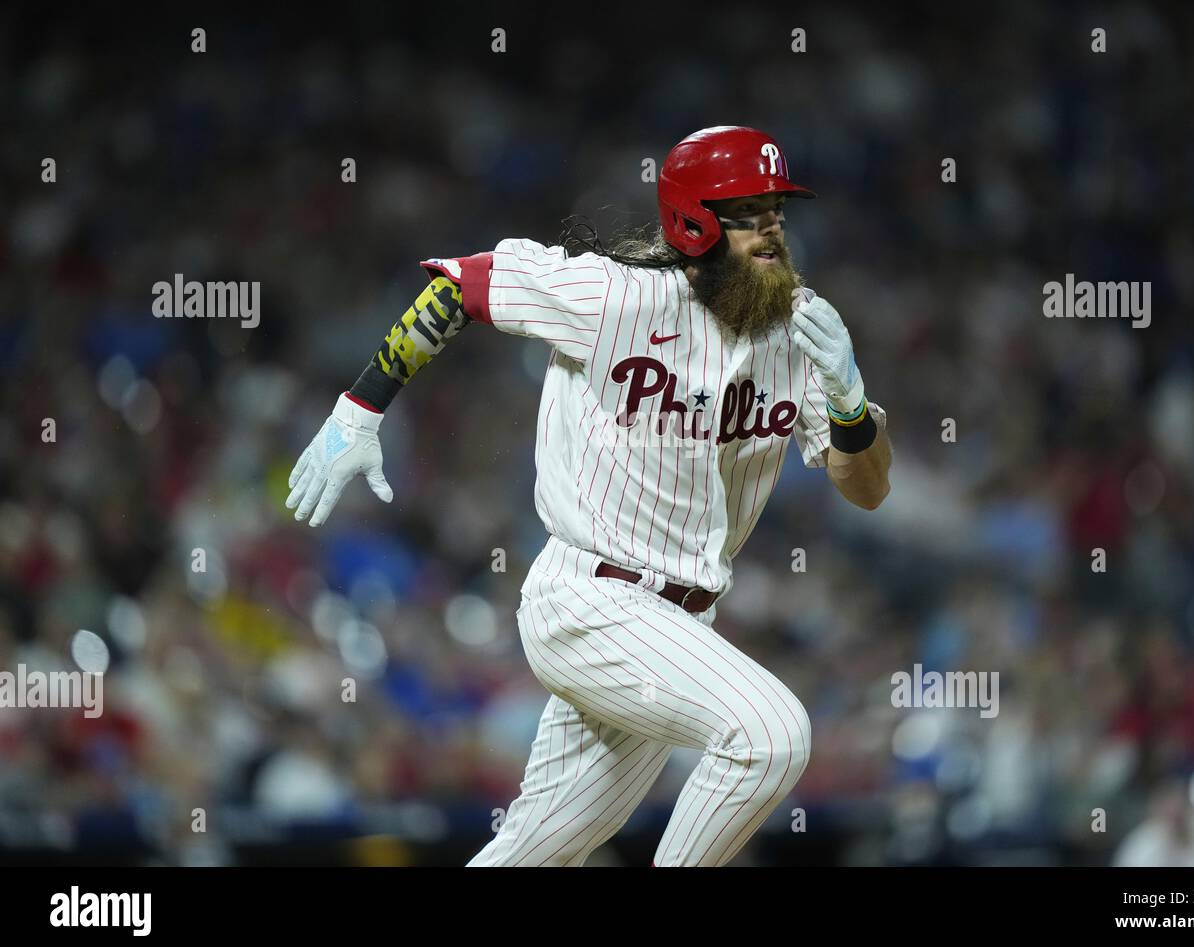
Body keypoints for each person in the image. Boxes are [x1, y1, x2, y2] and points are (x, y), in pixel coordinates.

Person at [285, 126, 893, 866]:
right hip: (589, 602)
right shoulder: (616, 297)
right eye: (748, 209)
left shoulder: (799, 329)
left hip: (680, 630)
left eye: (777, 210)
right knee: (772, 735)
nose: (771, 227)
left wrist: (852, 404)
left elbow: (865, 488)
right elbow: (461, 284)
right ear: (694, 220)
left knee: (533, 853)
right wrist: (360, 409)